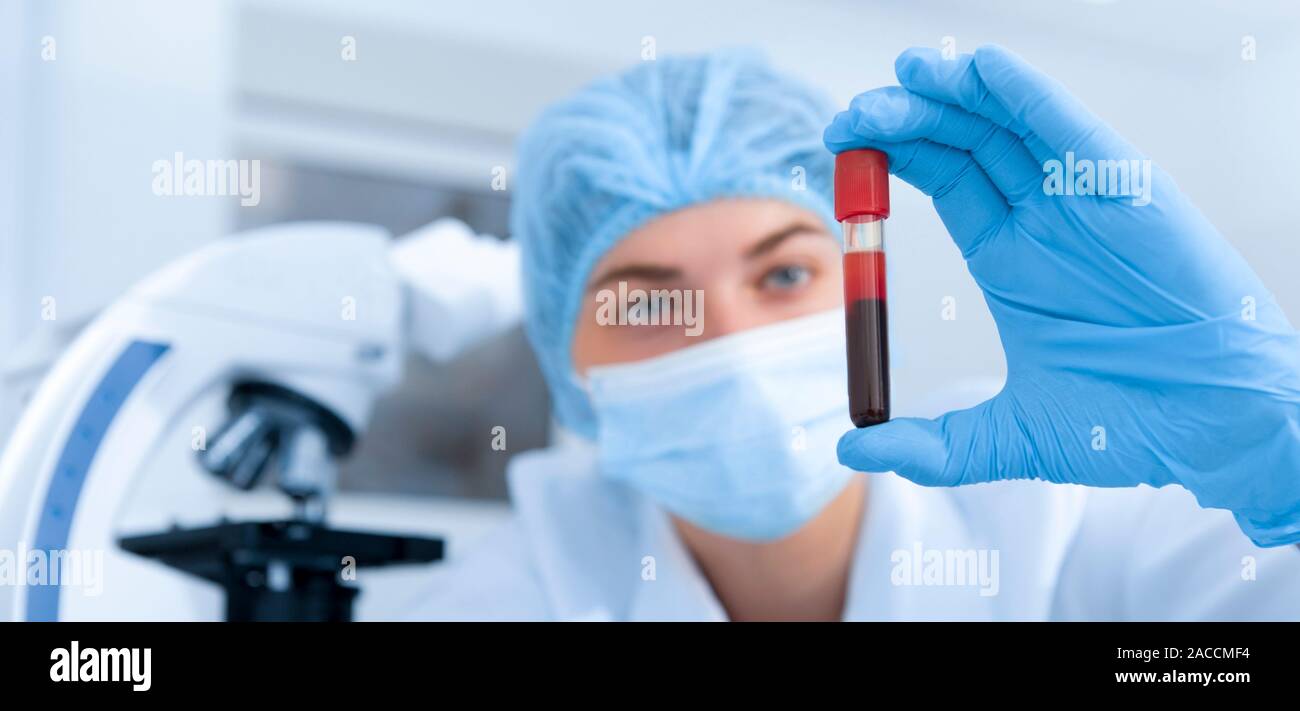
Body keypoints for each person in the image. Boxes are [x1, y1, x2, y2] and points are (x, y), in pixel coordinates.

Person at [396, 48, 1300, 621]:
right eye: (648, 305)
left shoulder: (1061, 523)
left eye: (784, 273)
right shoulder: (517, 593)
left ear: (864, 284)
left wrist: (1280, 450)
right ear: (567, 364)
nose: (736, 345)